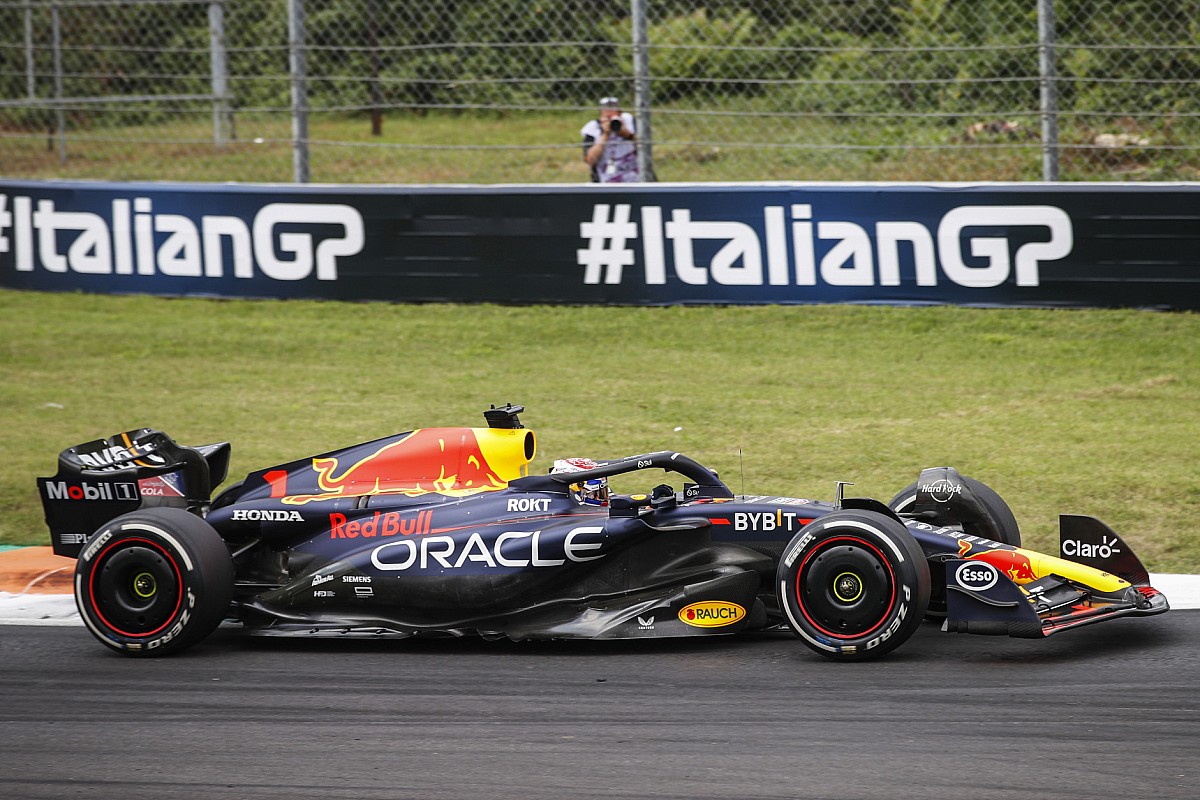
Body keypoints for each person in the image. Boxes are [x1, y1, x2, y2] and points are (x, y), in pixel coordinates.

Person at [580, 96, 640, 183]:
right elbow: (590, 160)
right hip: (604, 180)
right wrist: (605, 135)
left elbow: (645, 147)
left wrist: (627, 135)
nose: (609, 112)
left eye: (612, 108)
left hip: (634, 178)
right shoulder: (593, 128)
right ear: (601, 112)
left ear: (619, 112)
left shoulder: (630, 121)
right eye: (606, 109)